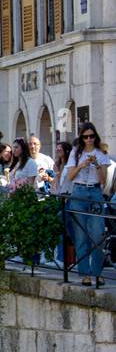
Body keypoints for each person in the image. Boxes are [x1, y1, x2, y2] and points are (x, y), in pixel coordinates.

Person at [64, 123, 110, 286]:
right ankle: (85, 274)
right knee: (81, 234)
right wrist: (81, 165)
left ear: (95, 137)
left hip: (95, 192)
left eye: (91, 136)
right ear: (81, 138)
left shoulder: (101, 153)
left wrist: (97, 164)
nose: (89, 139)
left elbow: (104, 181)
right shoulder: (76, 153)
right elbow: (70, 176)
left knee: (97, 235)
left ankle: (97, 272)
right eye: (85, 136)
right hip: (79, 192)